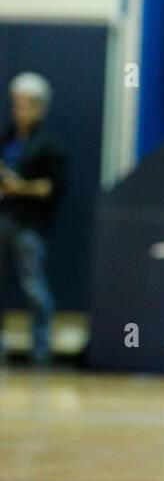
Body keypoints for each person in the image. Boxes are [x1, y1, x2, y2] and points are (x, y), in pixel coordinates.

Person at [0, 73, 67, 364]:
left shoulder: (49, 145)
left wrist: (20, 187)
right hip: (4, 218)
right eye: (16, 105)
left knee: (33, 285)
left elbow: (51, 187)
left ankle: (41, 348)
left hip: (29, 225)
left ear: (41, 108)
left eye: (26, 105)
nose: (19, 112)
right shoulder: (5, 139)